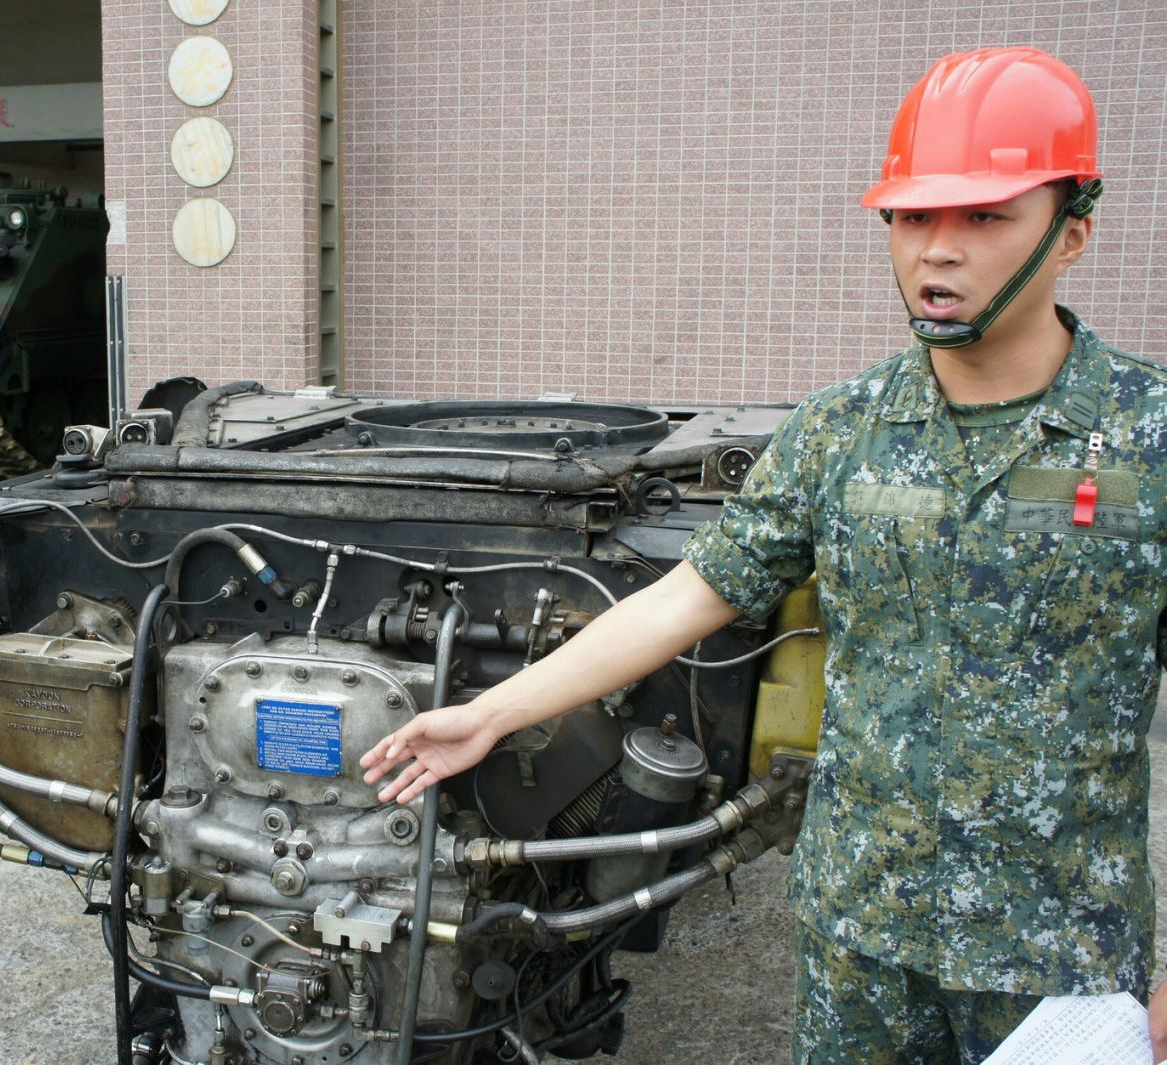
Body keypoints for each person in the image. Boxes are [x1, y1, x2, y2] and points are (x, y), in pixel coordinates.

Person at [361, 47, 1167, 1064]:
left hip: (1058, 964)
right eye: (914, 217)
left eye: (983, 217)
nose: (938, 251)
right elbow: (684, 599)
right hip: (861, 943)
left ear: (1072, 233)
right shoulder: (841, 430)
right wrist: (488, 714)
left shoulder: (1148, 438)